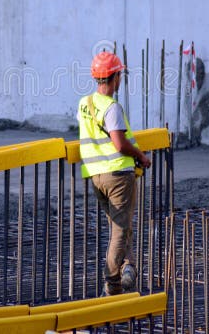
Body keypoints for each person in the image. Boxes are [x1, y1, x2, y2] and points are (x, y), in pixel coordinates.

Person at [78, 51, 151, 295]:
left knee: (119, 225)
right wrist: (140, 155)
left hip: (96, 176)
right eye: (119, 74)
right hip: (118, 175)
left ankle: (128, 268)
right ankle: (112, 282)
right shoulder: (112, 108)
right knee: (120, 230)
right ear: (115, 77)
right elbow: (120, 144)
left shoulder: (85, 104)